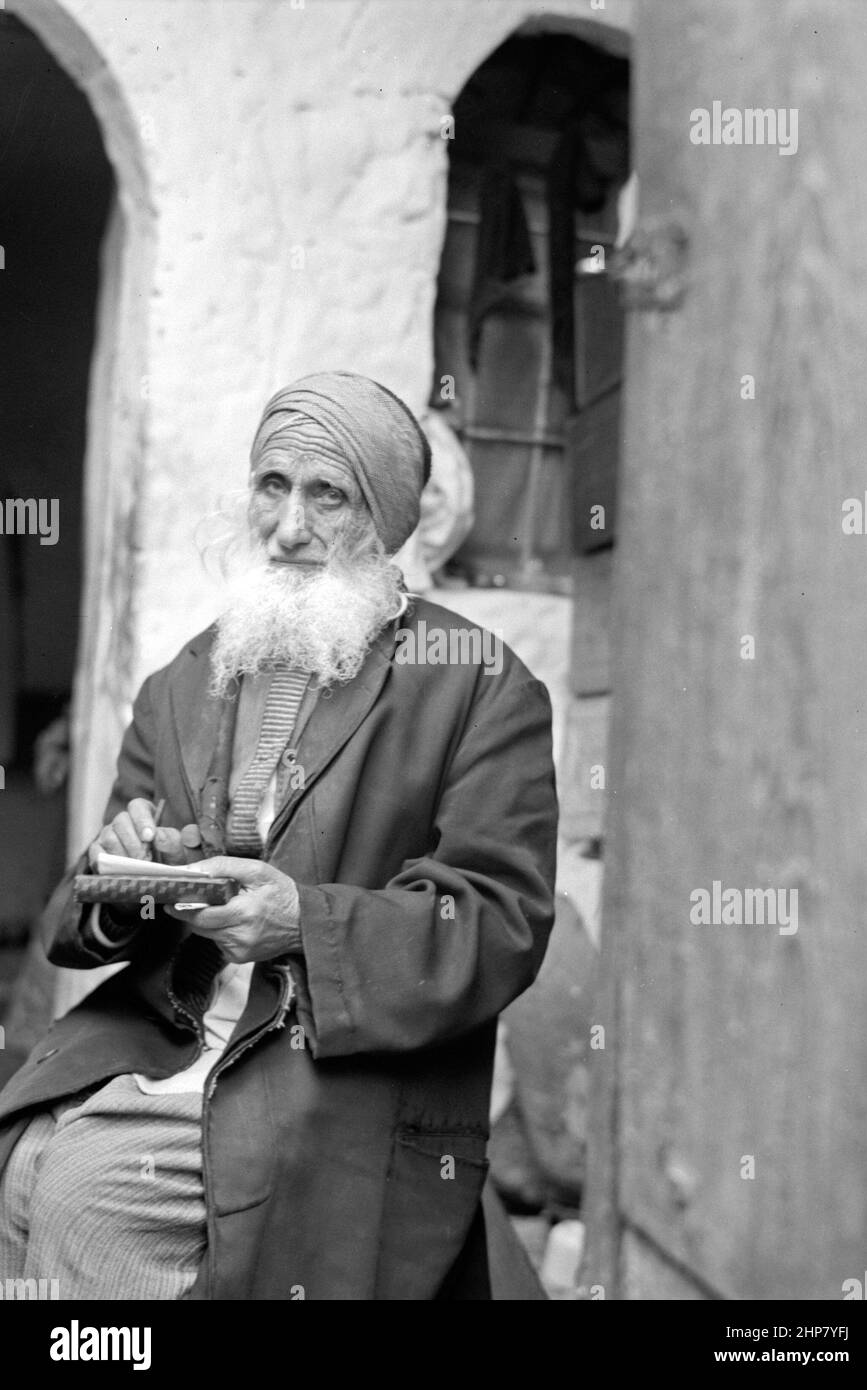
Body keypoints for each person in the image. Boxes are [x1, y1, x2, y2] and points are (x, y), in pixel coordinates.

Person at [0, 371, 557, 1300]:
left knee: (86, 1198)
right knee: (18, 1162)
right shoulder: (185, 681)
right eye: (272, 486)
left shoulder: (477, 683)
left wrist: (305, 922)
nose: (289, 526)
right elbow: (76, 912)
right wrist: (124, 874)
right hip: (168, 1040)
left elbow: (499, 922)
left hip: (329, 1077)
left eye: (326, 494)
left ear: (382, 520)